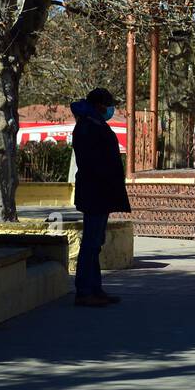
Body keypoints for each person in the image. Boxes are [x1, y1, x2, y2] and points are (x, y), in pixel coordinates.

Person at [70, 87, 130, 307]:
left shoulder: (93, 125)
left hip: (99, 191)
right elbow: (94, 162)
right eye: (107, 104)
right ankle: (85, 291)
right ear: (99, 105)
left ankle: (94, 288)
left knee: (96, 242)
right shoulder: (88, 127)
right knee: (91, 242)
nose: (110, 109)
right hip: (95, 191)